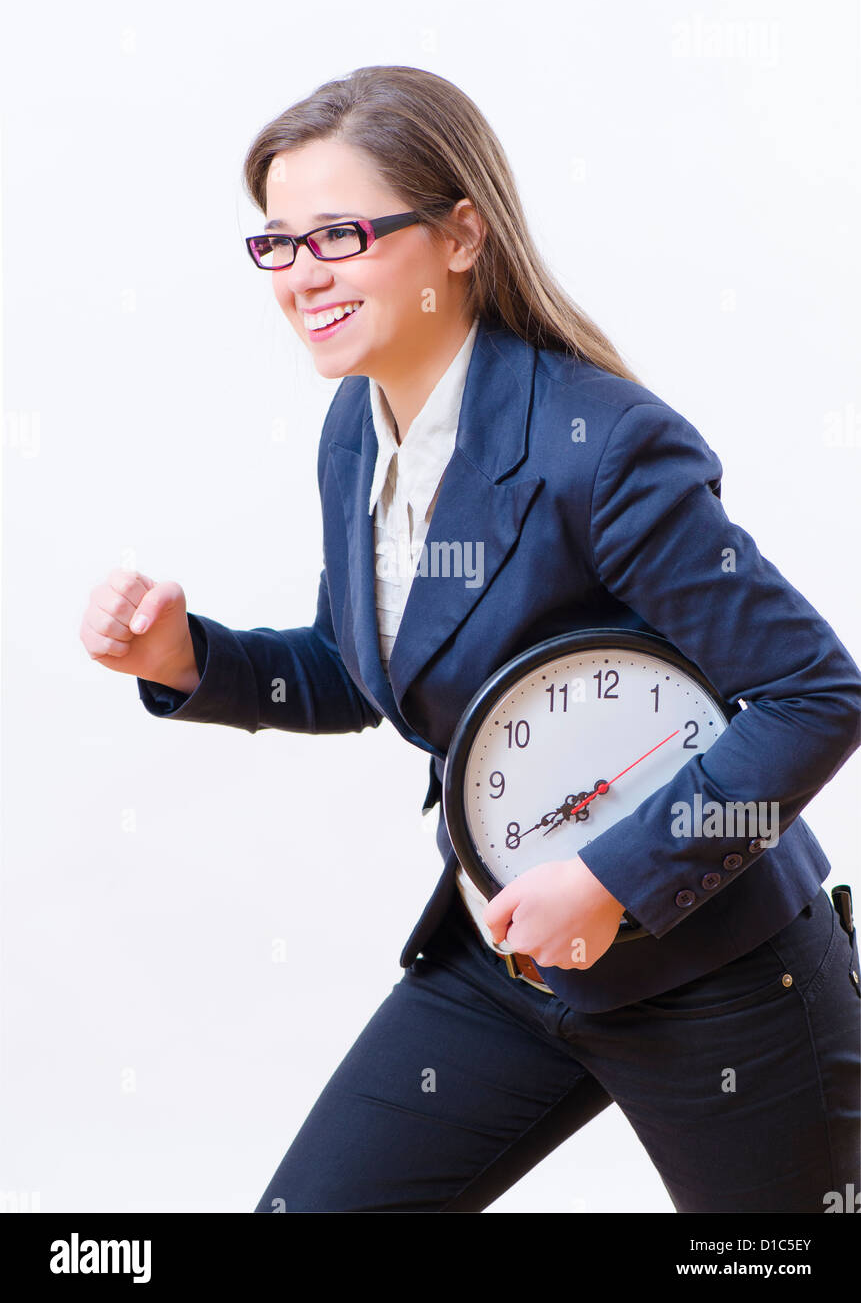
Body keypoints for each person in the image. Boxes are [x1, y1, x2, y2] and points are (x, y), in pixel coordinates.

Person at [79, 65, 861, 1214]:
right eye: (279, 243)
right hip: (509, 959)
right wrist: (188, 660)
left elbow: (815, 692)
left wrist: (610, 880)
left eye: (338, 234)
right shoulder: (359, 429)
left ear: (461, 234)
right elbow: (371, 666)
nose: (302, 276)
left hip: (719, 977)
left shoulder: (602, 447)